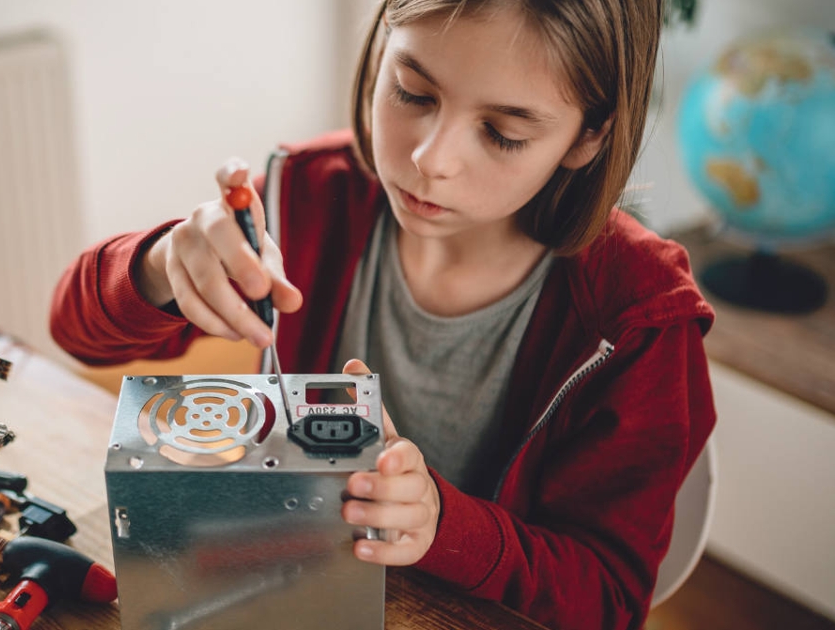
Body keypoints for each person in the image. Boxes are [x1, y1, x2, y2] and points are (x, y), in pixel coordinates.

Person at [51, 0, 716, 628]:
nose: (431, 160)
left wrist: (440, 526)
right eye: (414, 93)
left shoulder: (638, 318)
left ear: (589, 137)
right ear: (379, 53)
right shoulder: (305, 194)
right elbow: (74, 331)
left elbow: (608, 599)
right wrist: (159, 264)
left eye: (502, 132)